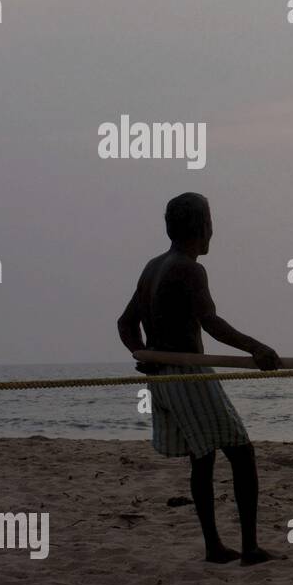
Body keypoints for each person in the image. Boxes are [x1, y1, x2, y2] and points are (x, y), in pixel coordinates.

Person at [117, 193, 281, 565]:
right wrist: (255, 347)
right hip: (186, 374)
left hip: (164, 376)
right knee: (241, 451)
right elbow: (210, 321)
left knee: (203, 457)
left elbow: (125, 324)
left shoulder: (152, 266)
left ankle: (214, 547)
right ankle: (250, 547)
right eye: (210, 222)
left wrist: (142, 354)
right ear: (202, 228)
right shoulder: (189, 268)